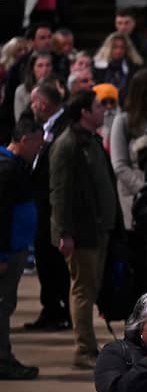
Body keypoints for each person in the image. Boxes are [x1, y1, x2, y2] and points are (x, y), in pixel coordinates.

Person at [50, 89, 122, 370]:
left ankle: (89, 344)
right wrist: (64, 233)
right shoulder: (67, 145)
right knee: (83, 290)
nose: (103, 110)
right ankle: (84, 349)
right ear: (84, 112)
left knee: (90, 289)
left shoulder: (90, 140)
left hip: (97, 229)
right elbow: (59, 194)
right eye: (98, 106)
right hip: (80, 232)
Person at [23, 81, 71, 333]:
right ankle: (50, 308)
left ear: (43, 103)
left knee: (54, 261)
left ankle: (60, 312)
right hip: (41, 204)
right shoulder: (46, 126)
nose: (31, 107)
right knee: (44, 259)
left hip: (54, 205)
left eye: (33, 102)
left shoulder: (65, 126)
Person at [0, 114, 42, 380]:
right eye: (37, 143)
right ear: (25, 140)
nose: (39, 149)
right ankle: (2, 359)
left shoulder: (15, 166)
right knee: (3, 305)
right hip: (9, 251)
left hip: (15, 248)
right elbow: (1, 216)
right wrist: (2, 255)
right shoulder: (6, 170)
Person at [109, 68, 147, 228]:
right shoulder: (123, 121)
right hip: (134, 197)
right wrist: (144, 190)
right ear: (143, 90)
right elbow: (119, 165)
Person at [11, 49, 52, 122]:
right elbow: (20, 120)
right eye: (40, 66)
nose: (45, 69)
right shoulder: (22, 91)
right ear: (32, 69)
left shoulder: (58, 87)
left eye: (48, 65)